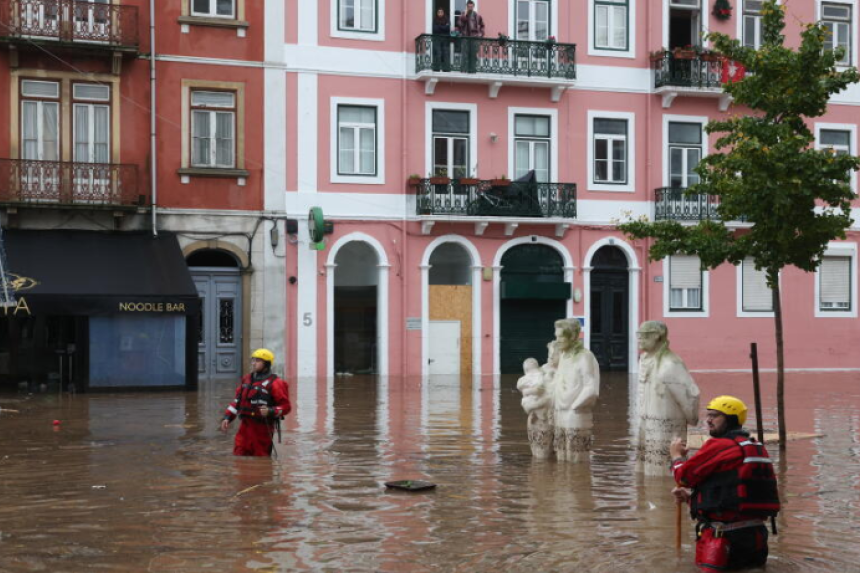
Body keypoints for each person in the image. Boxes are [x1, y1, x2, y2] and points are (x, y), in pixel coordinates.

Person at [670, 396, 780, 571]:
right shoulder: (755, 446)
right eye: (708, 415)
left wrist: (677, 457)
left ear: (730, 419)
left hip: (722, 540)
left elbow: (683, 478)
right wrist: (691, 498)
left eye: (715, 416)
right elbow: (735, 495)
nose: (708, 420)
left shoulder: (720, 445)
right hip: (756, 537)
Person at [635, 320, 700, 476]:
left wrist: (692, 418)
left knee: (665, 472)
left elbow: (691, 394)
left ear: (657, 336)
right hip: (646, 422)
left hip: (666, 424)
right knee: (646, 471)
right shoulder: (645, 359)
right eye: (638, 335)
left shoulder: (670, 364)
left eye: (644, 336)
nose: (639, 339)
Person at [220, 348, 291, 457]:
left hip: (262, 430)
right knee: (239, 455)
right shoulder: (247, 379)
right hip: (245, 426)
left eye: (257, 361)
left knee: (261, 458)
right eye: (253, 360)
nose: (253, 363)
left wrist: (271, 411)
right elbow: (237, 401)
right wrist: (227, 418)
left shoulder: (276, 383)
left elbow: (286, 407)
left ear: (266, 364)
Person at [551, 318, 600, 462]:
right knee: (561, 458)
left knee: (576, 460)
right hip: (560, 412)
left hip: (575, 415)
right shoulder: (564, 355)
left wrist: (574, 407)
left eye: (561, 337)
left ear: (572, 336)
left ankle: (579, 484)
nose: (557, 340)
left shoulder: (584, 357)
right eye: (556, 336)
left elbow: (591, 388)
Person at [517, 358, 554, 458]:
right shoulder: (542, 374)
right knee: (540, 452)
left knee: (541, 454)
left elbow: (539, 389)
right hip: (538, 415)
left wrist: (527, 391)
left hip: (541, 416)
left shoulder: (541, 375)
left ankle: (541, 468)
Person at [455, 0, 485, 73]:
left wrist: (480, 35)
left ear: (473, 7)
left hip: (474, 38)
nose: (470, 8)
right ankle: (463, 70)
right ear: (467, 7)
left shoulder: (478, 16)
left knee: (473, 54)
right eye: (469, 6)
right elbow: (459, 25)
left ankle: (472, 70)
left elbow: (482, 26)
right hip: (465, 37)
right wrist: (465, 16)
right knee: (464, 54)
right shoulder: (463, 15)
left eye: (471, 6)